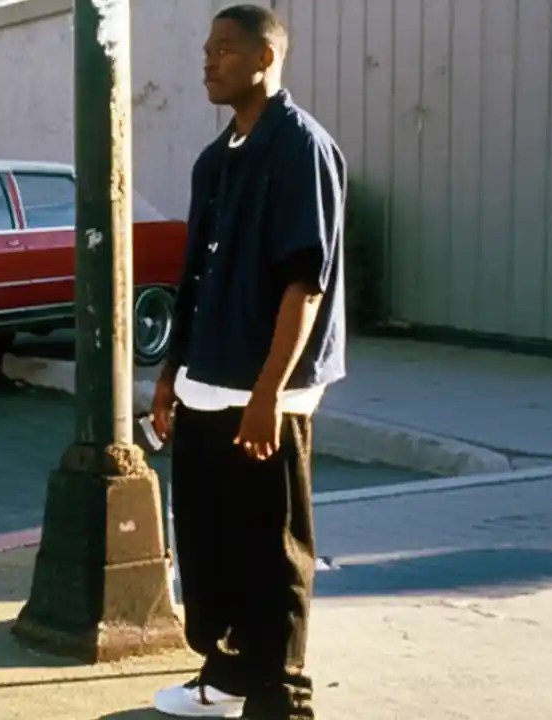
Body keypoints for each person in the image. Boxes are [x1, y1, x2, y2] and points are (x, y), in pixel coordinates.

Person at [148, 5, 347, 719]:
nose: (208, 62)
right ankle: (228, 673)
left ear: (265, 58)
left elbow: (306, 282)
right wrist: (169, 376)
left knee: (272, 553)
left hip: (267, 395)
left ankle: (281, 698)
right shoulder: (214, 160)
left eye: (225, 50)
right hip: (205, 383)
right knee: (210, 547)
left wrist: (268, 393)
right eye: (206, 50)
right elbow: (193, 285)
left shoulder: (302, 149)